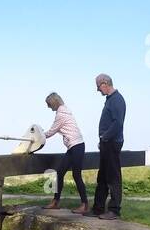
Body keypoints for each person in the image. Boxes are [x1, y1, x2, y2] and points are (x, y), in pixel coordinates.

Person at [41, 92, 88, 213]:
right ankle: (55, 202)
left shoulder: (61, 115)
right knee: (59, 173)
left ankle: (85, 205)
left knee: (76, 175)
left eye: (48, 104)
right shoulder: (64, 111)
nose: (48, 107)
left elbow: (51, 132)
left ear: (54, 102)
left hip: (76, 146)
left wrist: (38, 136)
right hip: (74, 147)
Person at [90, 74, 126, 220]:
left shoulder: (117, 99)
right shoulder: (110, 100)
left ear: (105, 83)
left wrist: (105, 137)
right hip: (106, 143)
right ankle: (98, 209)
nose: (97, 90)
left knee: (113, 178)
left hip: (112, 143)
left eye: (98, 86)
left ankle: (114, 210)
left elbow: (118, 124)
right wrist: (102, 141)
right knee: (103, 177)